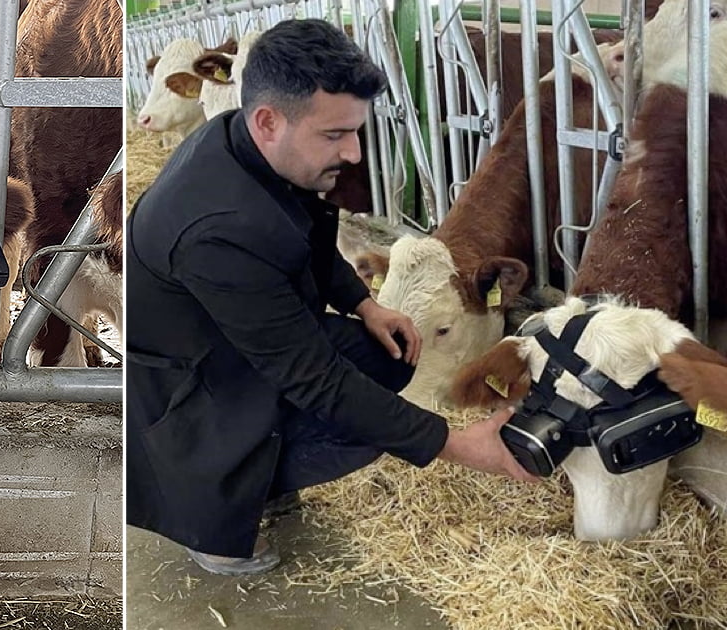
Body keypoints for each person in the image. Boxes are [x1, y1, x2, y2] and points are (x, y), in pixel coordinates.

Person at [125, 18, 536, 577]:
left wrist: (367, 305)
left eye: (356, 130)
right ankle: (212, 522)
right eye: (336, 134)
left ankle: (261, 479)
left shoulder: (255, 146)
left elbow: (315, 244)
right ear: (269, 120)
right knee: (348, 399)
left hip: (239, 342)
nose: (356, 152)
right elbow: (312, 376)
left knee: (386, 357)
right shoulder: (219, 229)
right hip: (188, 391)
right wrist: (457, 444)